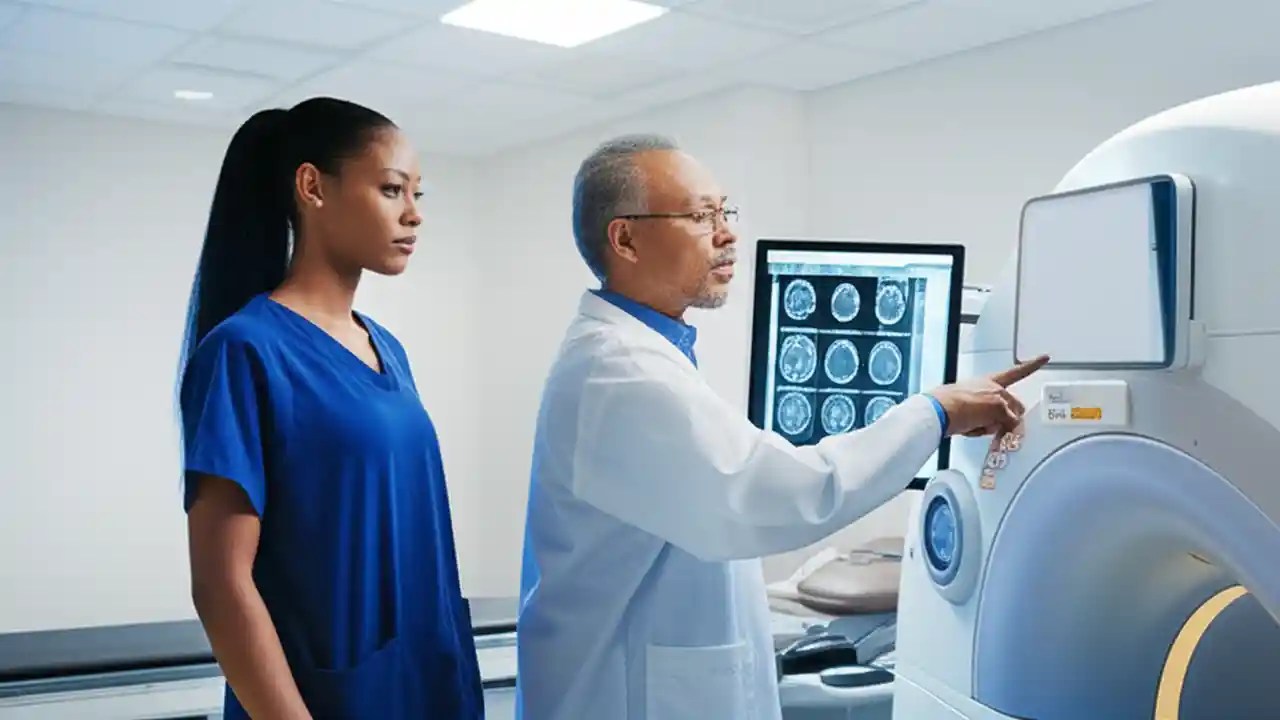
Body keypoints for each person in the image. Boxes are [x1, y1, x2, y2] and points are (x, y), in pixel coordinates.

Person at [514, 134, 1047, 720]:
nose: (727, 233)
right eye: (701, 216)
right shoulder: (618, 373)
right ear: (626, 239)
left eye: (725, 212)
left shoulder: (644, 355)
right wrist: (934, 413)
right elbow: (782, 493)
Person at [177, 97, 482, 720]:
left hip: (425, 684)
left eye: (418, 193)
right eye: (392, 189)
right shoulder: (245, 351)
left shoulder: (386, 348)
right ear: (313, 187)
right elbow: (221, 584)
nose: (414, 214)